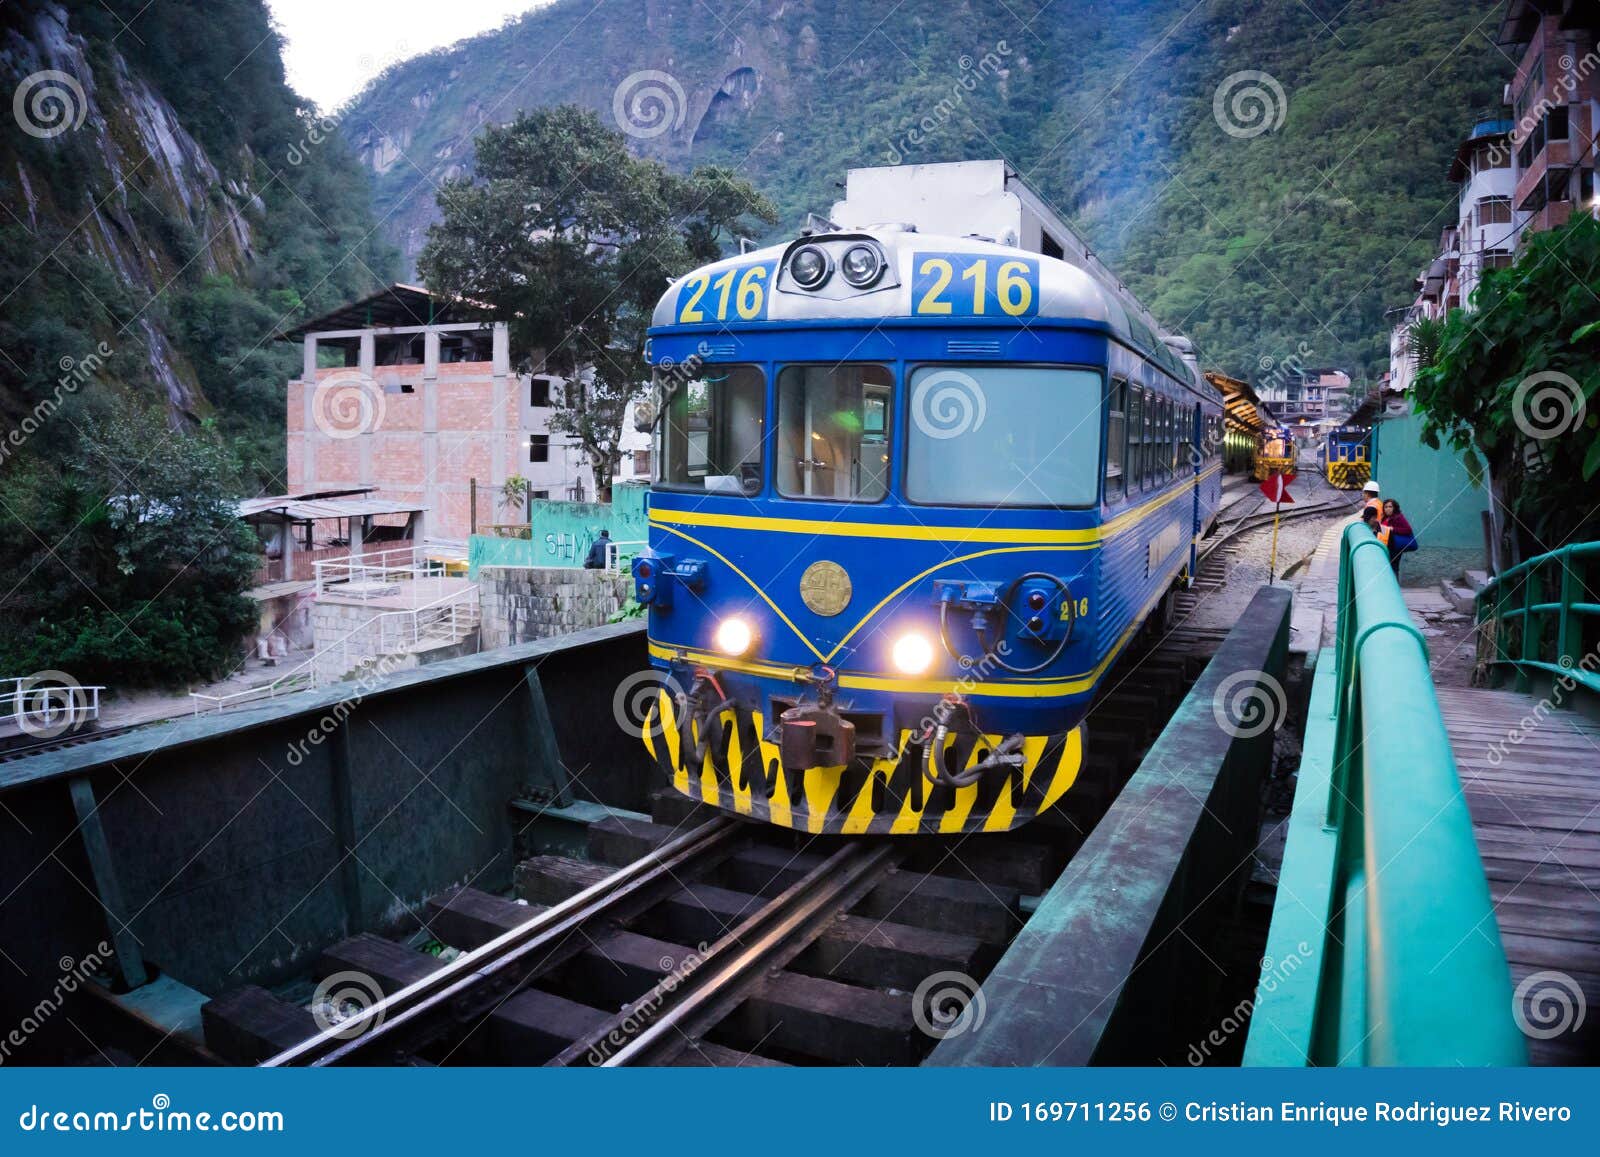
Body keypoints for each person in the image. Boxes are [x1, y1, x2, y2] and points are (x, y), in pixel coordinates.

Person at [1381, 498, 1416, 576]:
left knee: (1394, 567)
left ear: (1394, 508)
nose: (1388, 509)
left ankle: (1394, 586)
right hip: (1386, 546)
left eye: (1390, 507)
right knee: (1387, 567)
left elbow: (1408, 530)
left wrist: (1393, 529)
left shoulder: (1398, 517)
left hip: (1395, 547)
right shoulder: (1385, 518)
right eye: (1386, 507)